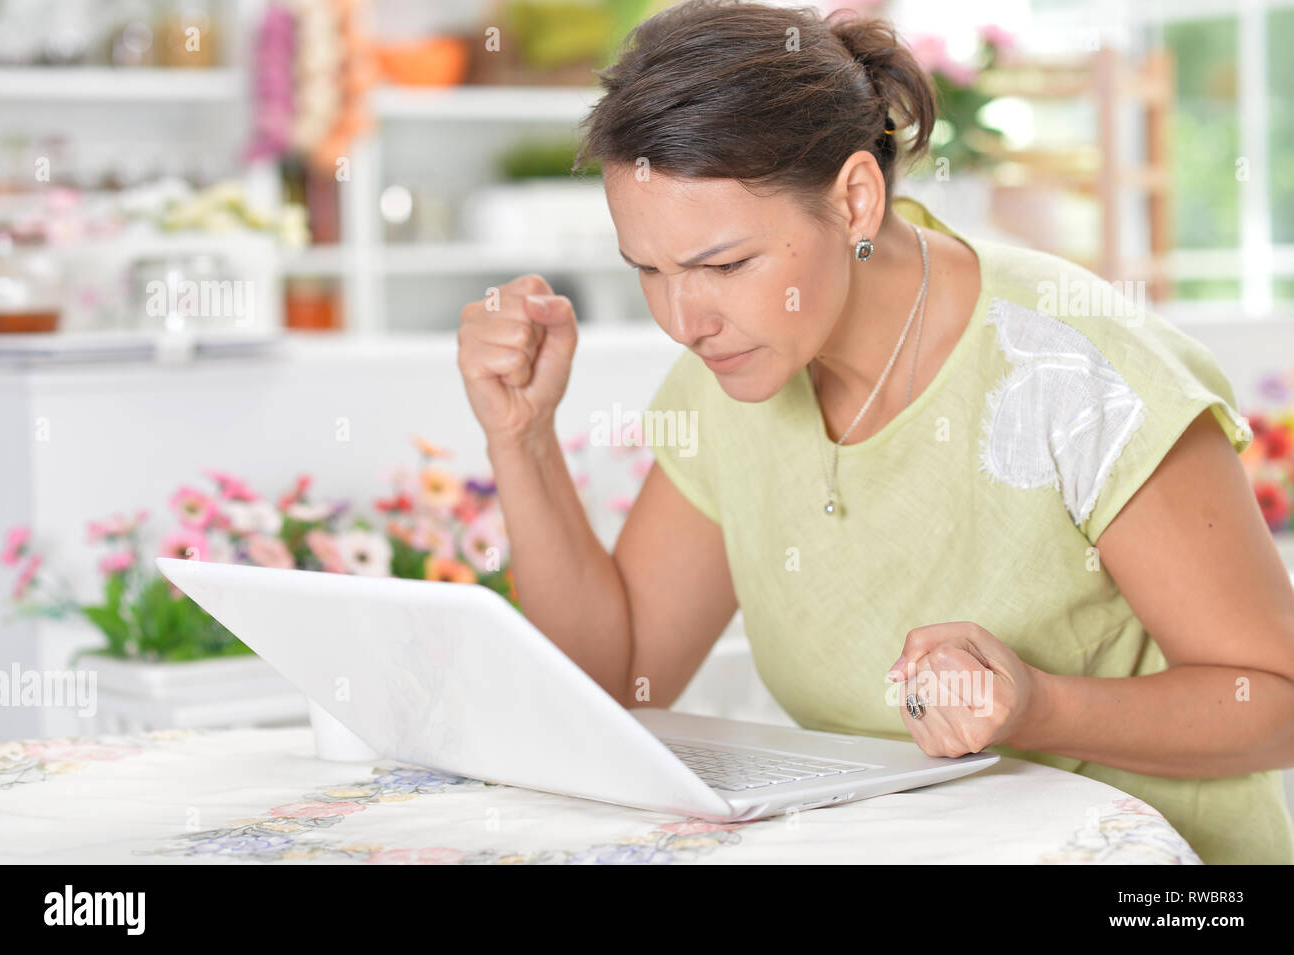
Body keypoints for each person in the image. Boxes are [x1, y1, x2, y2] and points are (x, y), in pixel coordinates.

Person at [455, 0, 1294, 864]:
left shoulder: (1073, 369)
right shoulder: (733, 375)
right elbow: (616, 681)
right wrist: (521, 438)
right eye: (649, 272)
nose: (683, 320)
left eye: (725, 265)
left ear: (856, 199)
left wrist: (1038, 705)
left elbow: (1275, 699)